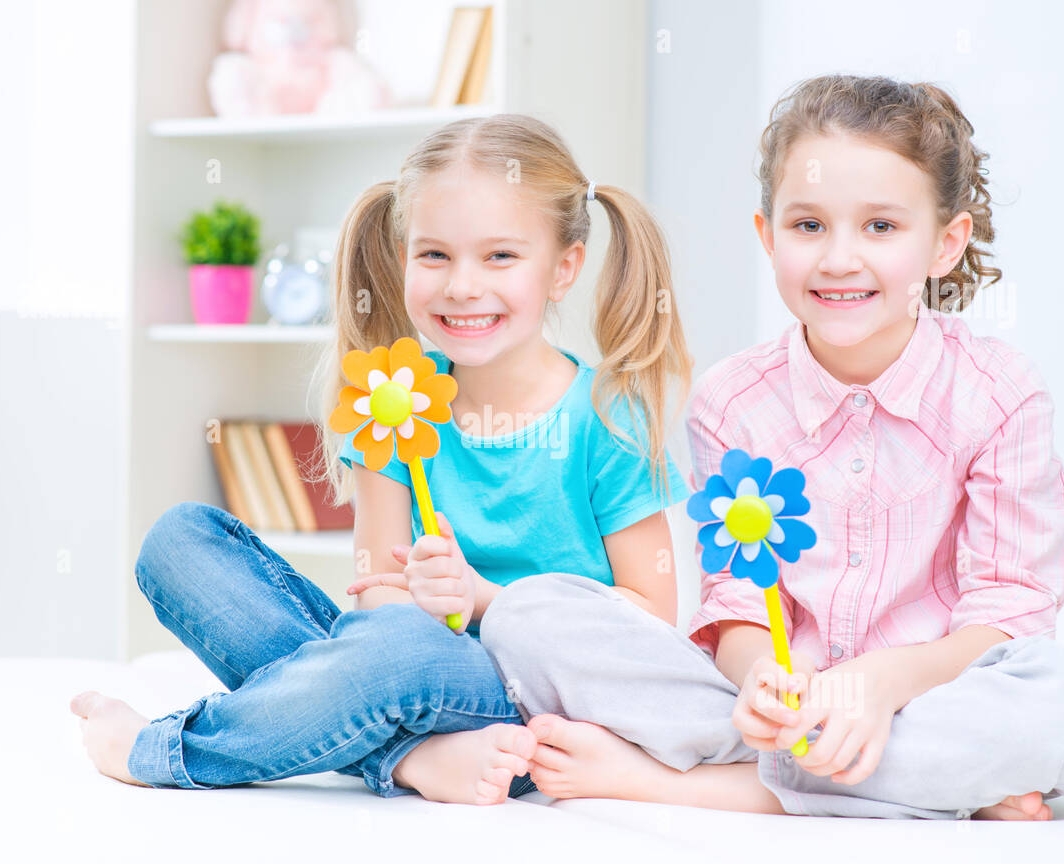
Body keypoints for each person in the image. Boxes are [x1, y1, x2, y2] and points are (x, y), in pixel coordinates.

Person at [479, 75, 1064, 820]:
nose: (838, 259)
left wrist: (881, 684)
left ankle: (685, 784)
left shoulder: (1001, 392)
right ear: (768, 236)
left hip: (938, 697)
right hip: (777, 712)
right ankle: (939, 784)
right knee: (528, 613)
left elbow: (1011, 612)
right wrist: (762, 676)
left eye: (881, 228)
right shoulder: (731, 400)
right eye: (808, 226)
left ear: (945, 243)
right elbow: (734, 605)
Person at [69, 113, 692, 805]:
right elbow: (379, 591)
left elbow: (652, 618)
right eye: (434, 256)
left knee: (391, 651)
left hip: (531, 705)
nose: (462, 285)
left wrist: (482, 598)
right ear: (402, 262)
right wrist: (420, 605)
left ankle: (158, 750)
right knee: (179, 543)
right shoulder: (389, 400)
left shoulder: (605, 417)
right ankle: (407, 758)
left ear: (563, 268)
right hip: (404, 658)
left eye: (500, 257)